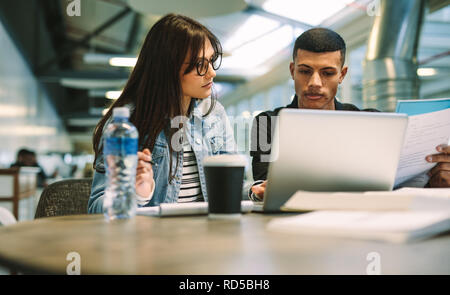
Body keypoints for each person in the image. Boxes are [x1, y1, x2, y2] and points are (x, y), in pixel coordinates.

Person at [249, 28, 449, 201]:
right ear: (293, 71)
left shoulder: (373, 123)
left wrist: (435, 182)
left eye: (327, 73)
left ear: (342, 75)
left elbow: (393, 186)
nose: (315, 83)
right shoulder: (266, 123)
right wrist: (258, 191)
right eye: (305, 71)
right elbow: (261, 184)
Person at [88, 14, 236, 213]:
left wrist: (255, 191)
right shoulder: (126, 125)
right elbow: (96, 208)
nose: (212, 73)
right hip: (152, 240)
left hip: (207, 236)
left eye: (211, 61)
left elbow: (231, 188)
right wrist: (136, 194)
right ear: (170, 69)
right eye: (200, 65)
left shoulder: (214, 114)